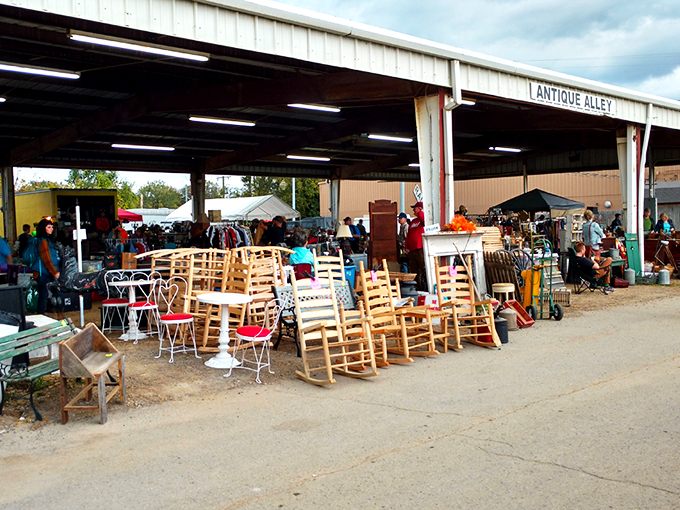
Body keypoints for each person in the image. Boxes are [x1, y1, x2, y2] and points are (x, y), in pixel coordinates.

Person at [33, 217, 61, 313]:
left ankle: (43, 315)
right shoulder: (43, 242)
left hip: (45, 273)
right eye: (49, 227)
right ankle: (40, 315)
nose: (51, 229)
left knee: (46, 295)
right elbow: (47, 260)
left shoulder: (46, 241)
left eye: (52, 227)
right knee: (44, 296)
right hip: (43, 274)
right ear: (44, 228)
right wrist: (55, 272)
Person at [405, 201, 426, 290]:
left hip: (420, 248)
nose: (413, 210)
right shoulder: (413, 222)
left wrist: (420, 211)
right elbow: (408, 235)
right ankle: (417, 287)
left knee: (423, 268)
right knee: (414, 270)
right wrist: (406, 246)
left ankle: (425, 286)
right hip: (412, 250)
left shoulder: (423, 220)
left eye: (415, 208)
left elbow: (424, 218)